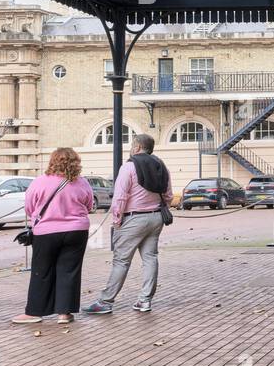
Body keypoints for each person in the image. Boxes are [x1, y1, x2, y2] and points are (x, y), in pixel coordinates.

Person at [83, 133, 173, 315]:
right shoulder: (161, 166)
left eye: (133, 145)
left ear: (138, 147)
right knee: (150, 257)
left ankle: (105, 302)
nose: (131, 148)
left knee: (121, 260)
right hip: (156, 217)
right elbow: (169, 194)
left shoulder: (128, 167)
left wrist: (117, 221)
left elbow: (120, 197)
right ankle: (145, 300)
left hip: (133, 218)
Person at [13, 147, 95, 326]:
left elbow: (29, 207)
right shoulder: (82, 183)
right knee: (69, 271)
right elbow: (89, 205)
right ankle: (64, 314)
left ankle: (34, 312)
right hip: (76, 231)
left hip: (46, 232)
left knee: (41, 271)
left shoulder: (40, 182)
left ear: (53, 161)